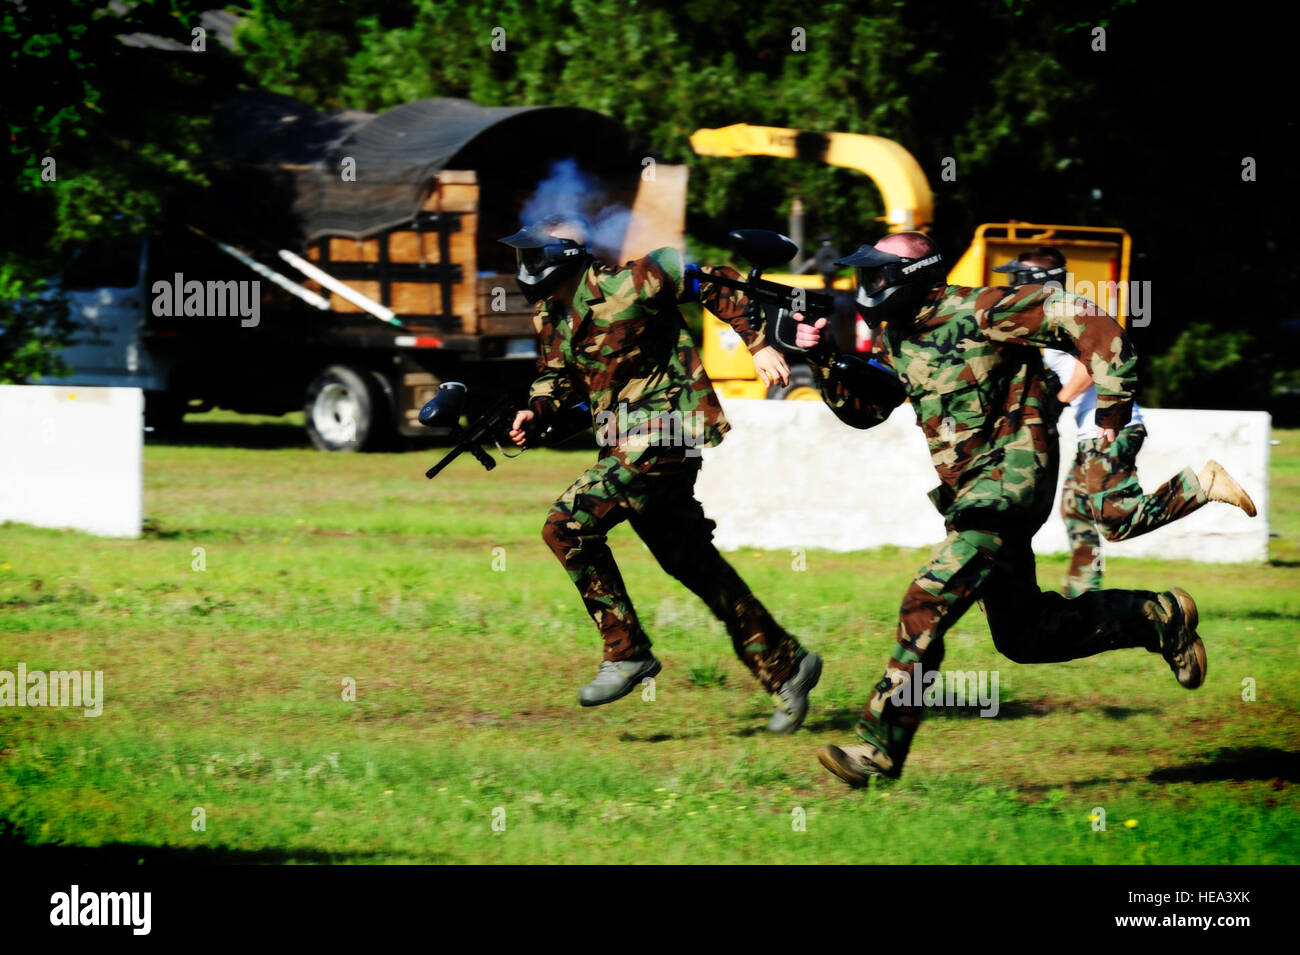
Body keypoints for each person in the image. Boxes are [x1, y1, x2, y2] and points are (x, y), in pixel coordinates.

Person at [792, 231, 1211, 786]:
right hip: (972, 499)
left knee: (927, 599)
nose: (866, 286)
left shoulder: (984, 309)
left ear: (910, 278)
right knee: (1026, 636)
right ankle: (1157, 618)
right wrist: (822, 359)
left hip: (1009, 487)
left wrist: (1109, 423)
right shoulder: (899, 338)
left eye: (875, 275)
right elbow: (867, 411)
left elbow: (1098, 327)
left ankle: (876, 747)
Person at [501, 215, 822, 732]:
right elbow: (555, 376)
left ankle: (625, 652)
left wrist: (758, 343)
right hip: (623, 443)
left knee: (566, 525)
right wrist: (534, 412)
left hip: (669, 431)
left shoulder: (634, 280)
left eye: (533, 255)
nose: (525, 266)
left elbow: (713, 279)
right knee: (689, 561)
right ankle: (787, 664)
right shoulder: (551, 314)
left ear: (561, 258)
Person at [994, 248, 1256, 596]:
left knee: (1117, 522)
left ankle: (1202, 485)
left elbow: (1092, 365)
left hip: (1109, 429)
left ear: (1034, 281)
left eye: (1016, 279)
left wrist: (1059, 400)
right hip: (1096, 430)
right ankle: (1084, 592)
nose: (1010, 286)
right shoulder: (1052, 313)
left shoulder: (1068, 314)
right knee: (1076, 510)